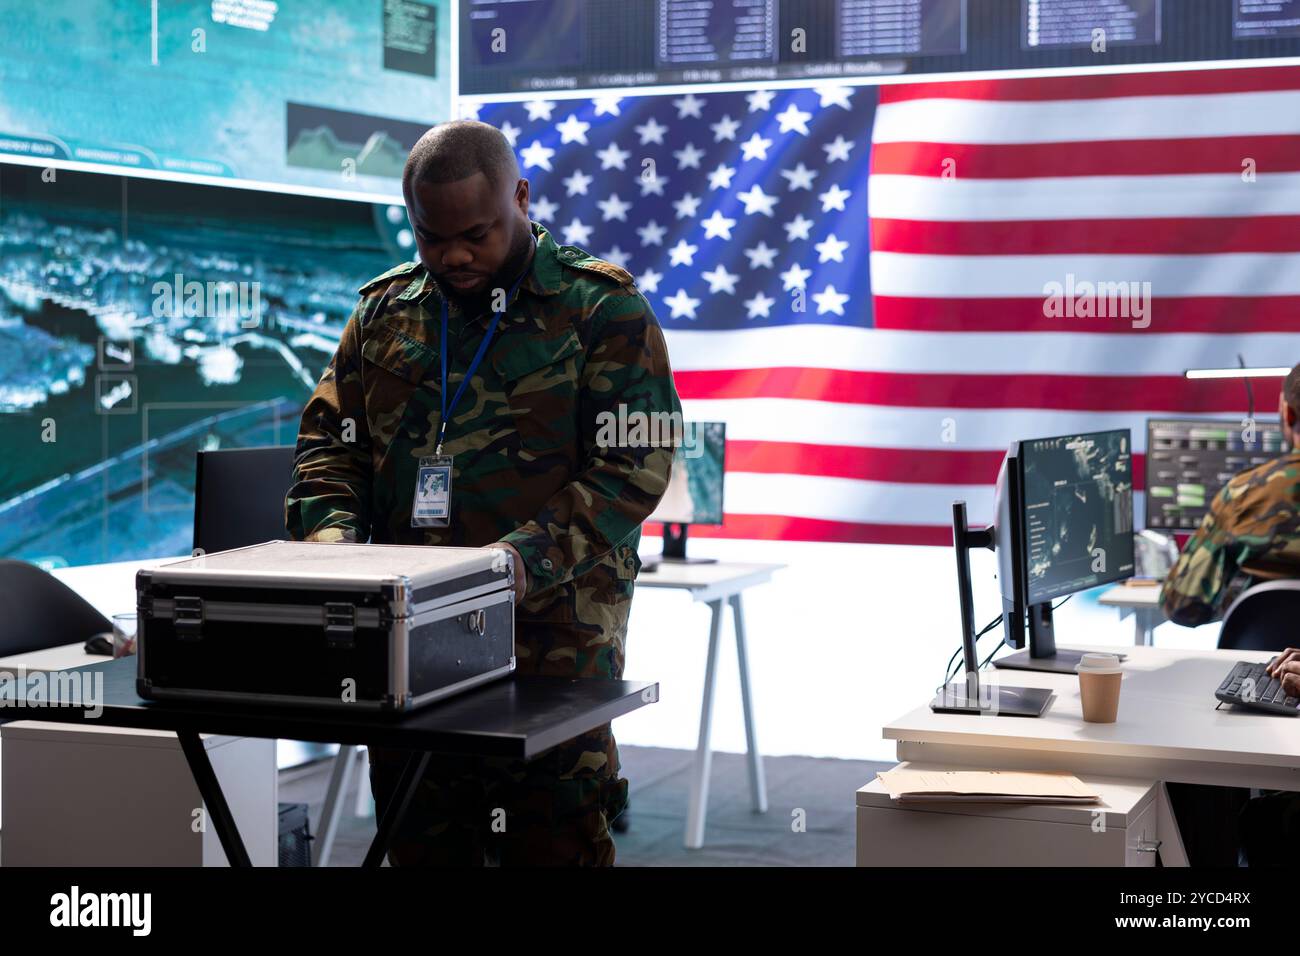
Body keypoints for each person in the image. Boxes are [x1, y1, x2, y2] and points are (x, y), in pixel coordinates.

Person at [285, 120, 681, 865]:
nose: (456, 256)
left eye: (477, 233)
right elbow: (328, 453)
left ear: (521, 197)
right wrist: (332, 554)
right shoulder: (384, 314)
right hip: (412, 650)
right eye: (433, 238)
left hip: (551, 650)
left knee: (551, 844)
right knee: (420, 842)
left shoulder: (601, 311)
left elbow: (633, 467)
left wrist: (512, 563)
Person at [1159, 362, 1300, 627]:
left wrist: (1241, 595)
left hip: (1262, 663)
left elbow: (1182, 605)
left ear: (1287, 413)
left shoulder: (1243, 493)